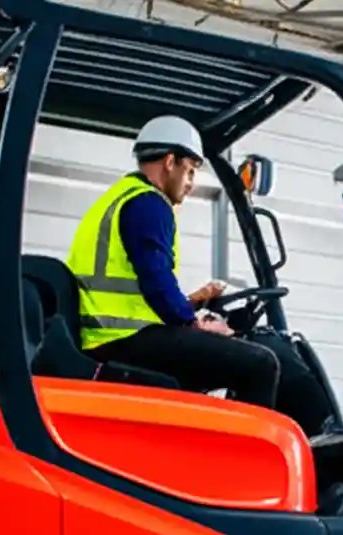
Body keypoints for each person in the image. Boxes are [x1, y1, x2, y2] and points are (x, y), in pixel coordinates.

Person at [66, 115, 281, 409]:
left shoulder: (121, 197)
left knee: (212, 364)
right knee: (261, 364)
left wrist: (194, 301)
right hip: (123, 341)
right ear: (170, 161)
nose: (191, 184)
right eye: (190, 171)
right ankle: (248, 454)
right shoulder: (149, 204)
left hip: (110, 336)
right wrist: (192, 323)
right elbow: (157, 281)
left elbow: (140, 289)